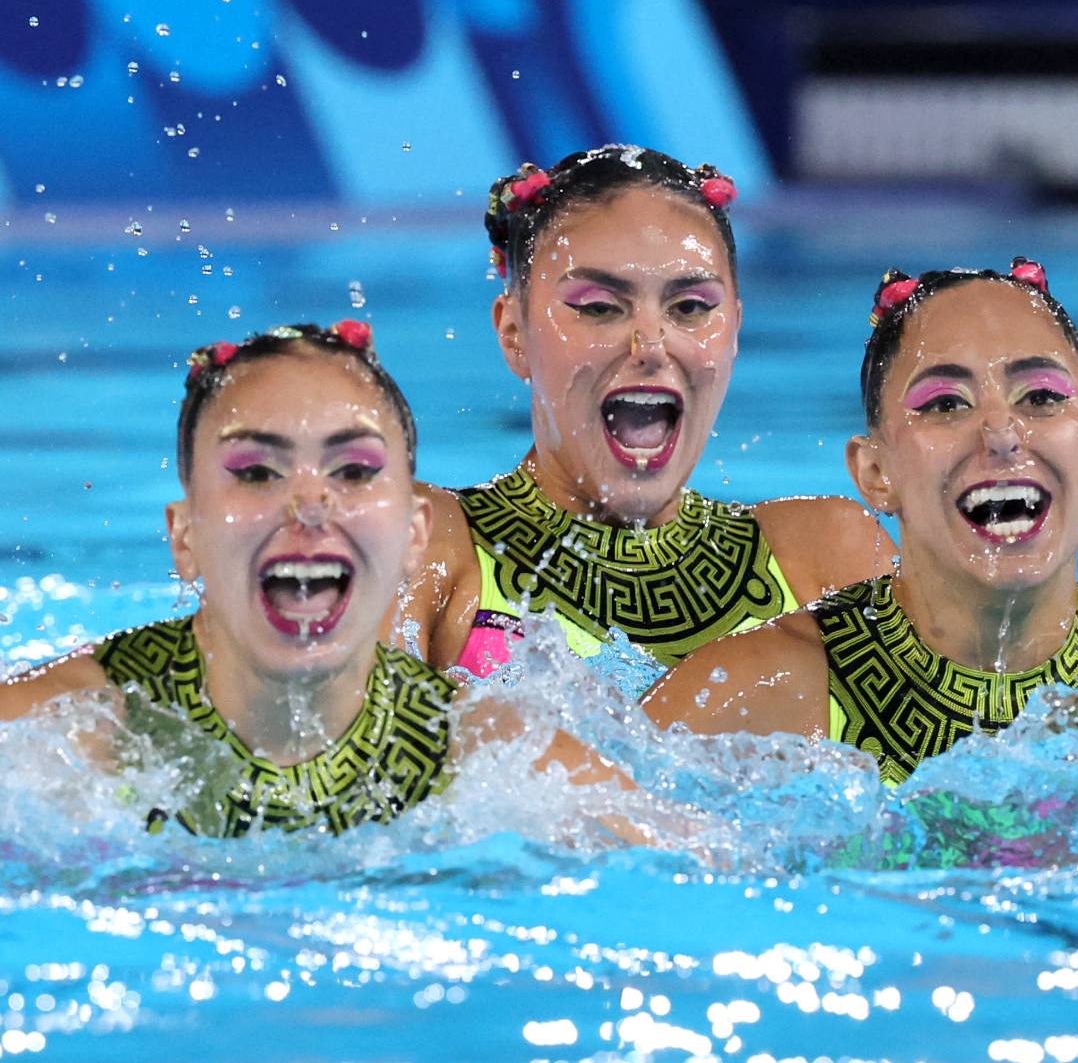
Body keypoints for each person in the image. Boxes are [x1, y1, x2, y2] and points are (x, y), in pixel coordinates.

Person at [646, 259, 1078, 784]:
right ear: (874, 473)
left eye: (1040, 397)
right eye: (945, 404)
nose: (1002, 434)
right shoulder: (754, 699)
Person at [0, 323, 636, 837]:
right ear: (185, 537)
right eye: (256, 472)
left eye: (353, 471)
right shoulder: (58, 736)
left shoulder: (493, 759)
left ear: (415, 535)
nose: (309, 506)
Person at [398, 145, 894, 677]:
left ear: (734, 331)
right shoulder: (426, 542)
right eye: (598, 307)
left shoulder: (821, 563)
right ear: (514, 333)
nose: (651, 344)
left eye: (690, 308)